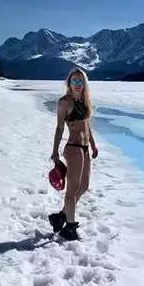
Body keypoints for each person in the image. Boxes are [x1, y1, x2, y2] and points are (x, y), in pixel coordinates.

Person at [48, 68, 98, 240]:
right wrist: (55, 151)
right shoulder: (64, 102)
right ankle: (69, 227)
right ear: (69, 83)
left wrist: (93, 145)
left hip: (84, 148)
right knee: (72, 190)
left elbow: (87, 126)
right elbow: (60, 127)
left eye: (80, 81)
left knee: (83, 186)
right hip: (73, 148)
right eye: (74, 81)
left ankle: (60, 216)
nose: (78, 85)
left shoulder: (85, 101)